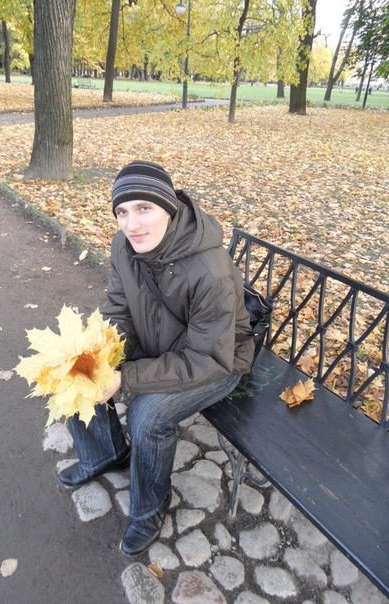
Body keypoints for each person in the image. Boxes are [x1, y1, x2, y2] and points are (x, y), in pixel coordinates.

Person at [58, 161, 255, 556]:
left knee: (147, 415)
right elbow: (119, 308)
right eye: (122, 212)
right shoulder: (124, 244)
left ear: (169, 208)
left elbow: (206, 358)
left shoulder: (210, 272)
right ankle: (105, 453)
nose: (132, 225)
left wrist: (126, 377)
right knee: (75, 368)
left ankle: (150, 507)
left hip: (217, 361)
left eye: (144, 208)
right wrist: (103, 355)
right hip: (161, 342)